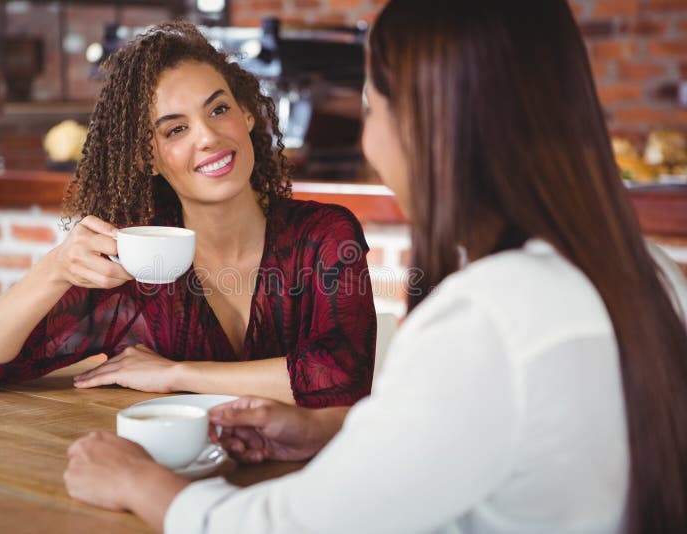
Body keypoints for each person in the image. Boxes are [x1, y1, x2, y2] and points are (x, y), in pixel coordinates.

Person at [64, 1, 687, 532]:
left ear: (427, 126)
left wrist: (140, 484)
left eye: (371, 108)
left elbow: (282, 527)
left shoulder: (490, 319)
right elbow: (491, 438)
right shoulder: (654, 276)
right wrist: (338, 434)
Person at [0, 22, 376, 409]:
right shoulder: (138, 270)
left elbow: (341, 376)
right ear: (147, 157)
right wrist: (55, 269)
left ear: (247, 113)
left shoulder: (325, 235)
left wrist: (175, 373)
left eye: (218, 109)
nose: (208, 137)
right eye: (175, 129)